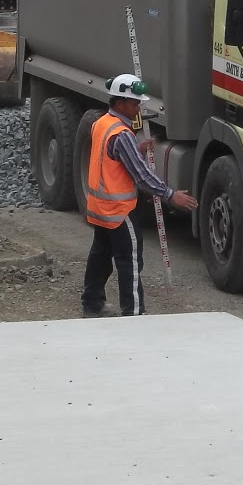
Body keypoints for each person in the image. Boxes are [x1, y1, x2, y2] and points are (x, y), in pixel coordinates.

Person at [82, 74, 198, 318]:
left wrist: (137, 150)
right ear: (121, 102)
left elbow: (113, 160)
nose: (138, 109)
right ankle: (134, 314)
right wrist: (171, 195)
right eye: (135, 104)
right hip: (119, 210)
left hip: (100, 207)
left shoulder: (101, 123)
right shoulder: (122, 134)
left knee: (100, 255)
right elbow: (142, 176)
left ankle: (92, 304)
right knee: (130, 262)